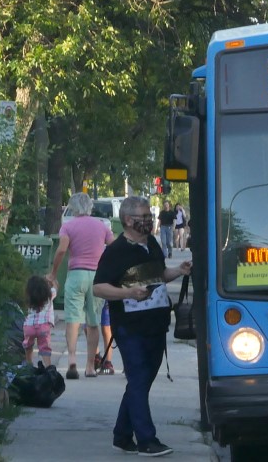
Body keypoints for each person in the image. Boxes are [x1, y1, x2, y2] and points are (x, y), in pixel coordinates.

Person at [94, 196, 192, 457]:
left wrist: (178, 270)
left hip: (156, 324)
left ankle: (122, 435)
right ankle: (147, 440)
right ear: (128, 220)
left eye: (149, 216)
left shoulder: (152, 244)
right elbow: (98, 287)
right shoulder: (116, 251)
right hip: (130, 326)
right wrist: (127, 294)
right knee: (138, 379)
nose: (149, 221)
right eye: (143, 217)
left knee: (142, 381)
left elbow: (159, 274)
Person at [49, 192, 116, 379]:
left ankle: (72, 361)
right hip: (97, 277)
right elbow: (114, 247)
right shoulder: (101, 226)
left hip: (76, 275)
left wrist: (53, 273)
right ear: (89, 207)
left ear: (73, 207)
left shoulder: (68, 227)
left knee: (73, 320)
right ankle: (89, 367)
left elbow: (62, 250)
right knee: (93, 322)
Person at [22, 275, 57, 367]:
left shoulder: (29, 299)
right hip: (43, 326)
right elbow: (56, 288)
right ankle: (49, 367)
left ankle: (28, 365)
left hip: (29, 326)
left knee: (28, 346)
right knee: (45, 348)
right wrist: (52, 280)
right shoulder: (49, 296)